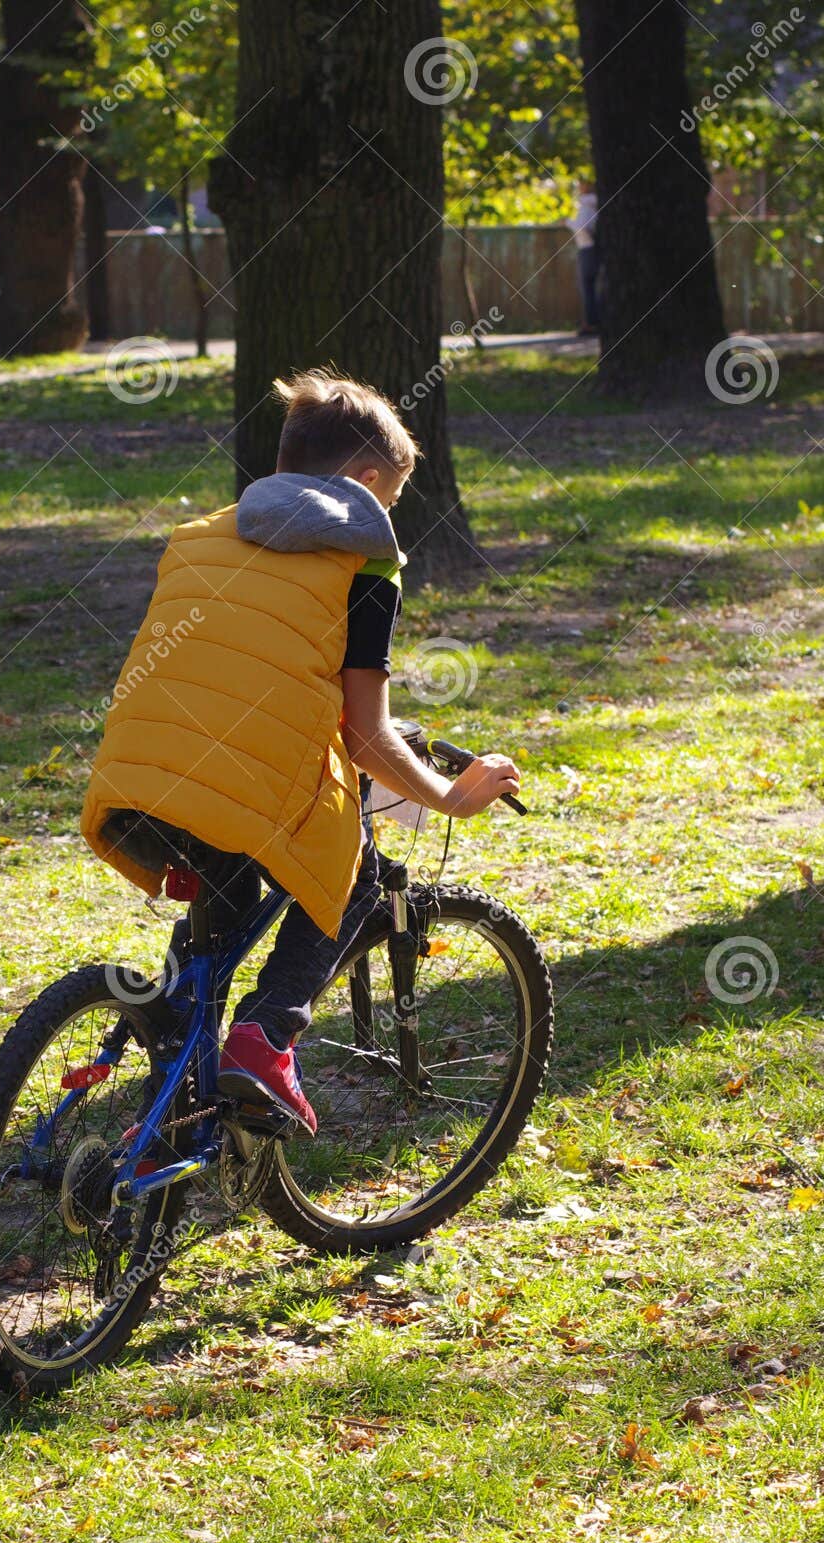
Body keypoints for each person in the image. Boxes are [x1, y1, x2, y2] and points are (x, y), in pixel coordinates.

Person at [80, 371, 521, 1135]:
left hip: (131, 777)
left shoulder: (202, 536)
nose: (387, 515)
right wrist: (452, 795)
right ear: (371, 479)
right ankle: (264, 1035)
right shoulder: (365, 562)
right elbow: (365, 737)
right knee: (346, 878)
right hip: (243, 783)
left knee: (229, 875)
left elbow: (243, 668)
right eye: (390, 500)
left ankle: (171, 1063)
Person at [568, 179, 600, 336]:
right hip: (591, 248)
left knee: (587, 287)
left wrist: (568, 222)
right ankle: (592, 321)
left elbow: (583, 227)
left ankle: (591, 323)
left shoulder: (587, 206)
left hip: (587, 248)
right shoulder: (594, 205)